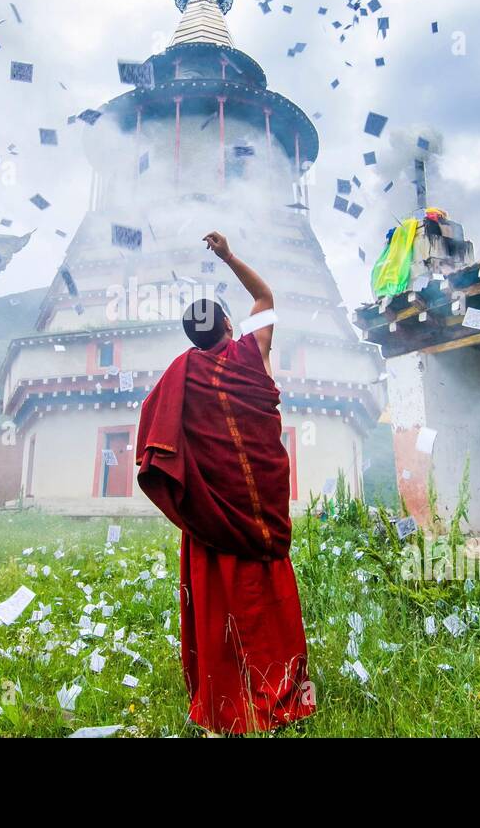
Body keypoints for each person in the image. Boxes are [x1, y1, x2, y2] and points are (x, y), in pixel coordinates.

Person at [135, 231, 314, 734]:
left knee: (217, 611)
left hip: (209, 520)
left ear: (191, 340)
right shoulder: (250, 355)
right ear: (230, 325)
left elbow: (156, 438)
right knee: (267, 605)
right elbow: (266, 298)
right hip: (259, 522)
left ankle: (221, 708)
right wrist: (230, 256)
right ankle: (278, 694)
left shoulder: (180, 373)